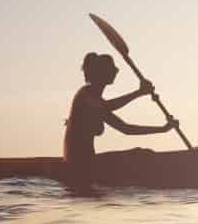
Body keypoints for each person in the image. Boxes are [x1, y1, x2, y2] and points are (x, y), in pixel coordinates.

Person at [63, 52, 177, 189]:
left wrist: (163, 129)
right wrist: (139, 93)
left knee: (140, 153)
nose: (117, 70)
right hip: (78, 165)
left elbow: (125, 128)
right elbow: (111, 110)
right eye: (112, 67)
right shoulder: (85, 95)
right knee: (139, 155)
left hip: (87, 162)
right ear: (100, 72)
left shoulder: (95, 102)